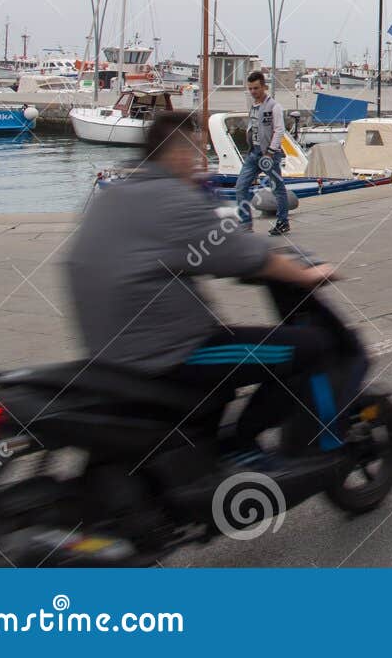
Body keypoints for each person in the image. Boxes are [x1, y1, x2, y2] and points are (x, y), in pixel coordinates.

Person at [64, 110, 336, 461]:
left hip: (109, 355)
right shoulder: (171, 198)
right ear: (177, 153)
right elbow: (243, 253)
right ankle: (240, 445)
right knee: (308, 347)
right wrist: (308, 274)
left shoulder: (114, 196)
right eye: (196, 153)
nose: (200, 164)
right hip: (172, 352)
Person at [235, 71, 290, 236]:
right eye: (250, 88)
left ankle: (282, 222)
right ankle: (245, 225)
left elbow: (279, 130)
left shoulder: (274, 107)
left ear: (264, 87)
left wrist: (271, 152)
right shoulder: (253, 106)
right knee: (240, 187)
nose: (253, 92)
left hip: (269, 155)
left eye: (256, 88)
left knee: (277, 188)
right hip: (254, 154)